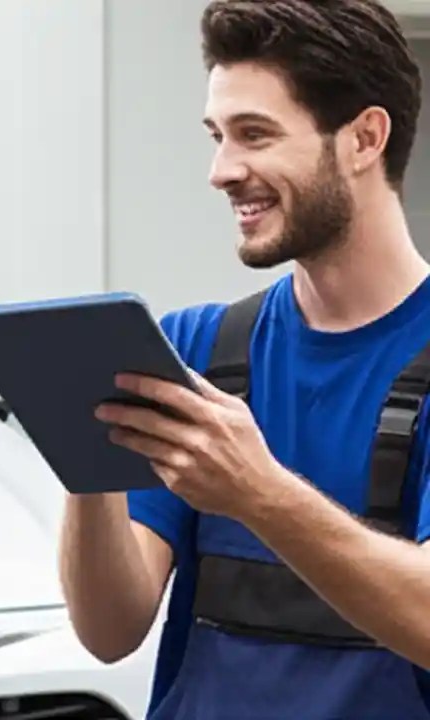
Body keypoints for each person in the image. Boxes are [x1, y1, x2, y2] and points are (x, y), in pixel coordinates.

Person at [59, 1, 430, 718]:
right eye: (217, 137)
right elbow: (109, 632)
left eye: (254, 135)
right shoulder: (193, 349)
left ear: (364, 139)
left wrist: (258, 492)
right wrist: (85, 463)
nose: (222, 171)